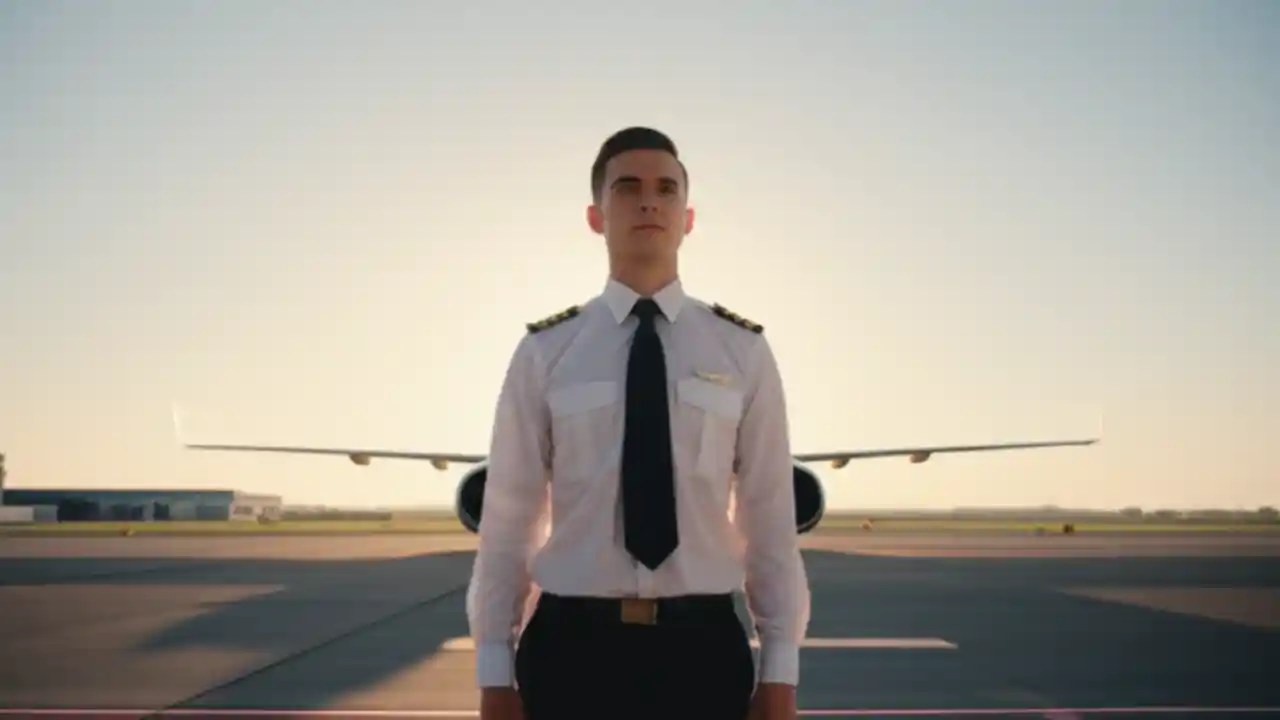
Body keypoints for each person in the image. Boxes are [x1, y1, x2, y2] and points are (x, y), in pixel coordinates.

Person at [467, 126, 810, 720]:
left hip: (702, 648)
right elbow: (507, 522)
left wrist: (780, 668)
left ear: (688, 217)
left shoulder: (742, 351)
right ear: (597, 216)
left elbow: (769, 518)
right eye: (627, 188)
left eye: (666, 189)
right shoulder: (546, 353)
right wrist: (494, 669)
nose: (649, 201)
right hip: (569, 651)